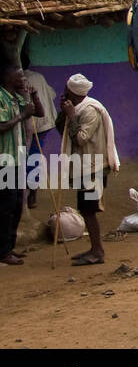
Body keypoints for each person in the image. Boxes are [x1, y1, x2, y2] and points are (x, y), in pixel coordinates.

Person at [55, 74, 120, 266]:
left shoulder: (90, 110)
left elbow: (80, 138)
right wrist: (64, 113)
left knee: (89, 211)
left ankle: (98, 251)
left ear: (73, 93)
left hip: (94, 170)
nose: (64, 94)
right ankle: (94, 248)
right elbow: (62, 131)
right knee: (85, 209)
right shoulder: (75, 108)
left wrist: (72, 116)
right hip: (82, 167)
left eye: (67, 92)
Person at [0, 63, 42, 266]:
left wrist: (33, 97)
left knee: (17, 204)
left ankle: (9, 247)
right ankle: (3, 251)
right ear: (9, 78)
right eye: (20, 77)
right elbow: (2, 126)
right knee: (6, 207)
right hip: (4, 161)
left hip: (17, 160)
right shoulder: (0, 98)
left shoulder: (17, 97)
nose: (24, 80)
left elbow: (40, 114)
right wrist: (22, 115)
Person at [20, 48, 57, 210]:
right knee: (33, 155)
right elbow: (53, 93)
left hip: (33, 123)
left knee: (30, 156)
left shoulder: (20, 80)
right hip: (45, 122)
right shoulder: (38, 76)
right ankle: (32, 191)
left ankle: (31, 191)